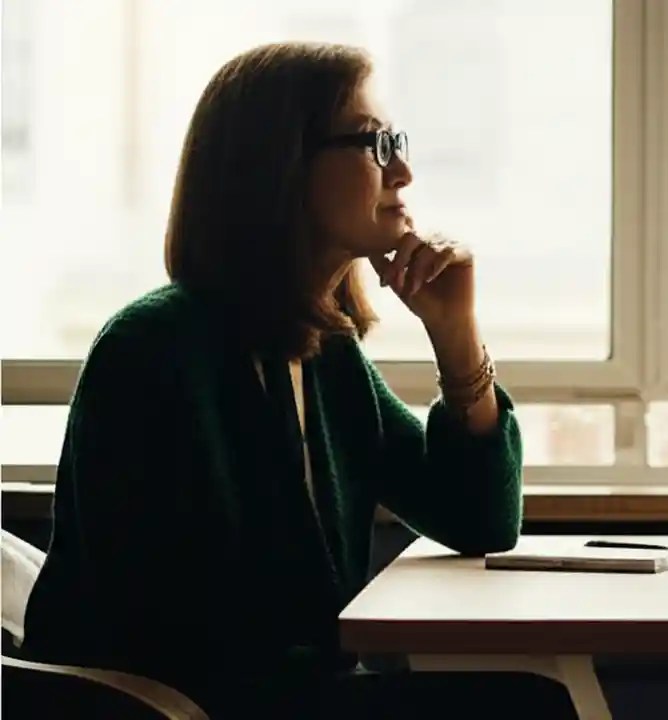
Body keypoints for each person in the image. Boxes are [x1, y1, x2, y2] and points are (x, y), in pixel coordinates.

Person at [20, 41, 578, 718]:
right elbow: (169, 622)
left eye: (397, 142)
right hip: (200, 707)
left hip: (291, 697)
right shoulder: (153, 350)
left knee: (537, 699)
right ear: (280, 165)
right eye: (374, 144)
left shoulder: (325, 355)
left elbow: (479, 517)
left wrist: (456, 337)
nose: (402, 170)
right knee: (530, 706)